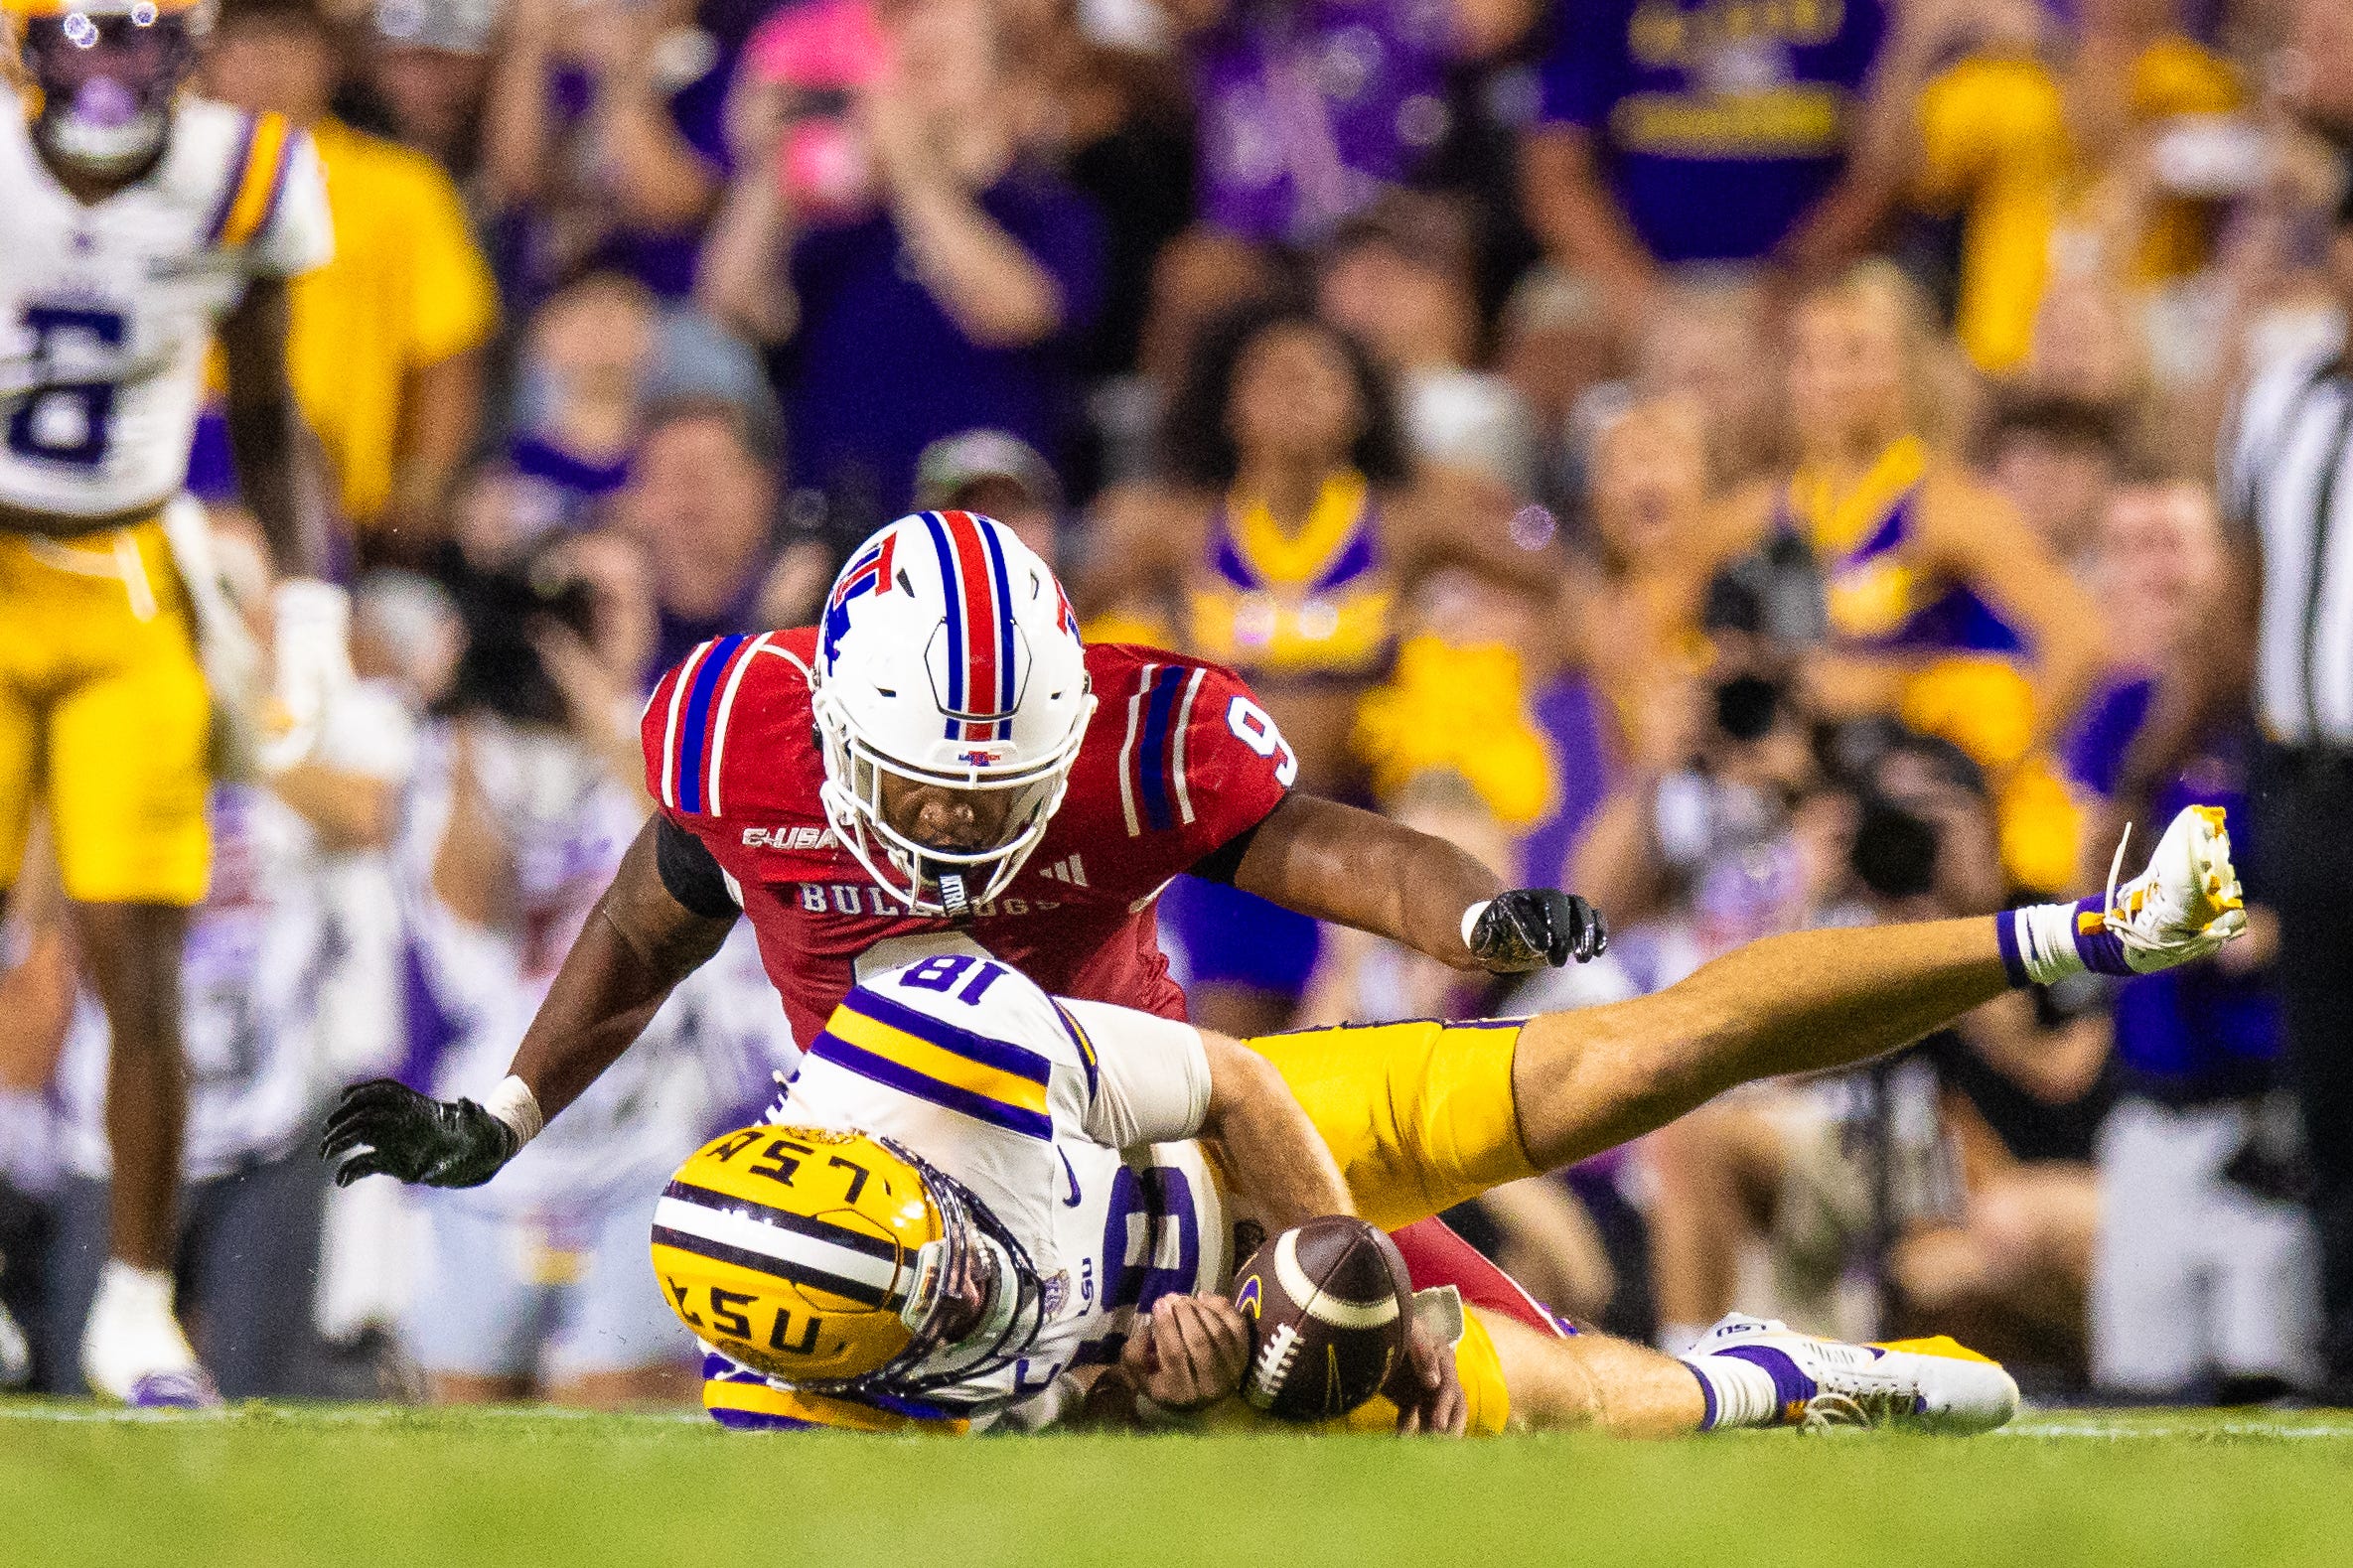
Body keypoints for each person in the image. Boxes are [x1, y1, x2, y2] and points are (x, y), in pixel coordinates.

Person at [330, 796, 2244, 1436]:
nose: (964, 1296)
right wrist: (1158, 1378)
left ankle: (2067, 930)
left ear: (890, 1171)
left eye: (941, 1263)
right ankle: (1786, 1376)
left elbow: (1236, 1078)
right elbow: (1051, 1445)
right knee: (1574, 1409)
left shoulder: (932, 1034)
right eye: (920, 1326)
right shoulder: (800, 1413)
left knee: (1622, 1062)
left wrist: (1329, 1267)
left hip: (1237, 1153)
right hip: (1207, 1344)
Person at [318, 510, 1608, 1391]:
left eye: (995, 797)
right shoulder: (744, 737)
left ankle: (1703, 1384)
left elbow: (1324, 843)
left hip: (1145, 1160)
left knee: (1497, 1350)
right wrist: (509, 1107)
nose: (953, 824)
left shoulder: (1131, 747)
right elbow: (641, 927)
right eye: (925, 788)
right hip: (892, 1196)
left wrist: (1470, 913)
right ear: (833, 732)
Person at [1, 0, 339, 1406]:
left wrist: (310, 602)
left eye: (132, 38)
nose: (104, 73)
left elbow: (263, 405)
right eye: (79, 38)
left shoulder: (241, 174)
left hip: (130, 578)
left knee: (140, 957)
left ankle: (136, 1306)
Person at [1085, 302, 1553, 1033]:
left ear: (1360, 406)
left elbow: (1560, 582)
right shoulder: (1176, 525)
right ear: (1229, 405)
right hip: (1228, 848)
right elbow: (1061, 615)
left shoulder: (1410, 519)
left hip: (1357, 836)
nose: (1294, 394)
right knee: (1234, 1061)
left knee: (1360, 1057)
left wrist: (1519, 643)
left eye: (1317, 379)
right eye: (1271, 378)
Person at [43, 515, 414, 1399]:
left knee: (262, 1394)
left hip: (271, 1110)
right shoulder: (105, 710)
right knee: (83, 1393)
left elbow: (368, 814)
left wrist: (234, 715)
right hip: (114, 1116)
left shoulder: (309, 712)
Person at [2124, 183, 2353, 1403]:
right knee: (2327, 1075)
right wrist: (2147, 761)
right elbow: (2238, 600)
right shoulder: (2281, 401)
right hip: (2308, 778)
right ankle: (2339, 1344)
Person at [1711, 262, 2107, 893]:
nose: (1828, 378)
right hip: (1810, 817)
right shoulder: (1761, 513)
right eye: (1809, 358)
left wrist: (1984, 767)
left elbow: (2080, 639)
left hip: (1932, 828)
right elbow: (1648, 615)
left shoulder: (1947, 506)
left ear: (1909, 368)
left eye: (1854, 354)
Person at [696, 0, 1106, 534]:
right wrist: (770, 165)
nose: (918, 37)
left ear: (1003, 80)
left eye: (943, 50)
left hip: (985, 533)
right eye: (907, 50)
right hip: (840, 528)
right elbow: (732, 306)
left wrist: (912, 172)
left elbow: (1015, 312)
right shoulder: (846, 222)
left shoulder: (1046, 210)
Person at [198, 0, 499, 559]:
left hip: (337, 512)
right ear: (205, 56)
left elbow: (448, 353)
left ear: (330, 59)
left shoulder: (401, 186)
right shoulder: (160, 179)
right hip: (172, 488)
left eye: (290, 41)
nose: (267, 64)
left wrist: (417, 500)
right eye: (245, 41)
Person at [1520, 0, 1895, 334]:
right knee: (1555, 328)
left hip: (1810, 277)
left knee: (1877, 317)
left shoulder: (1857, 8)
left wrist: (1792, 285)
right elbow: (1556, 176)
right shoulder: (1598, 8)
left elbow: (1881, 171)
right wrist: (1644, 304)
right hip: (1638, 279)